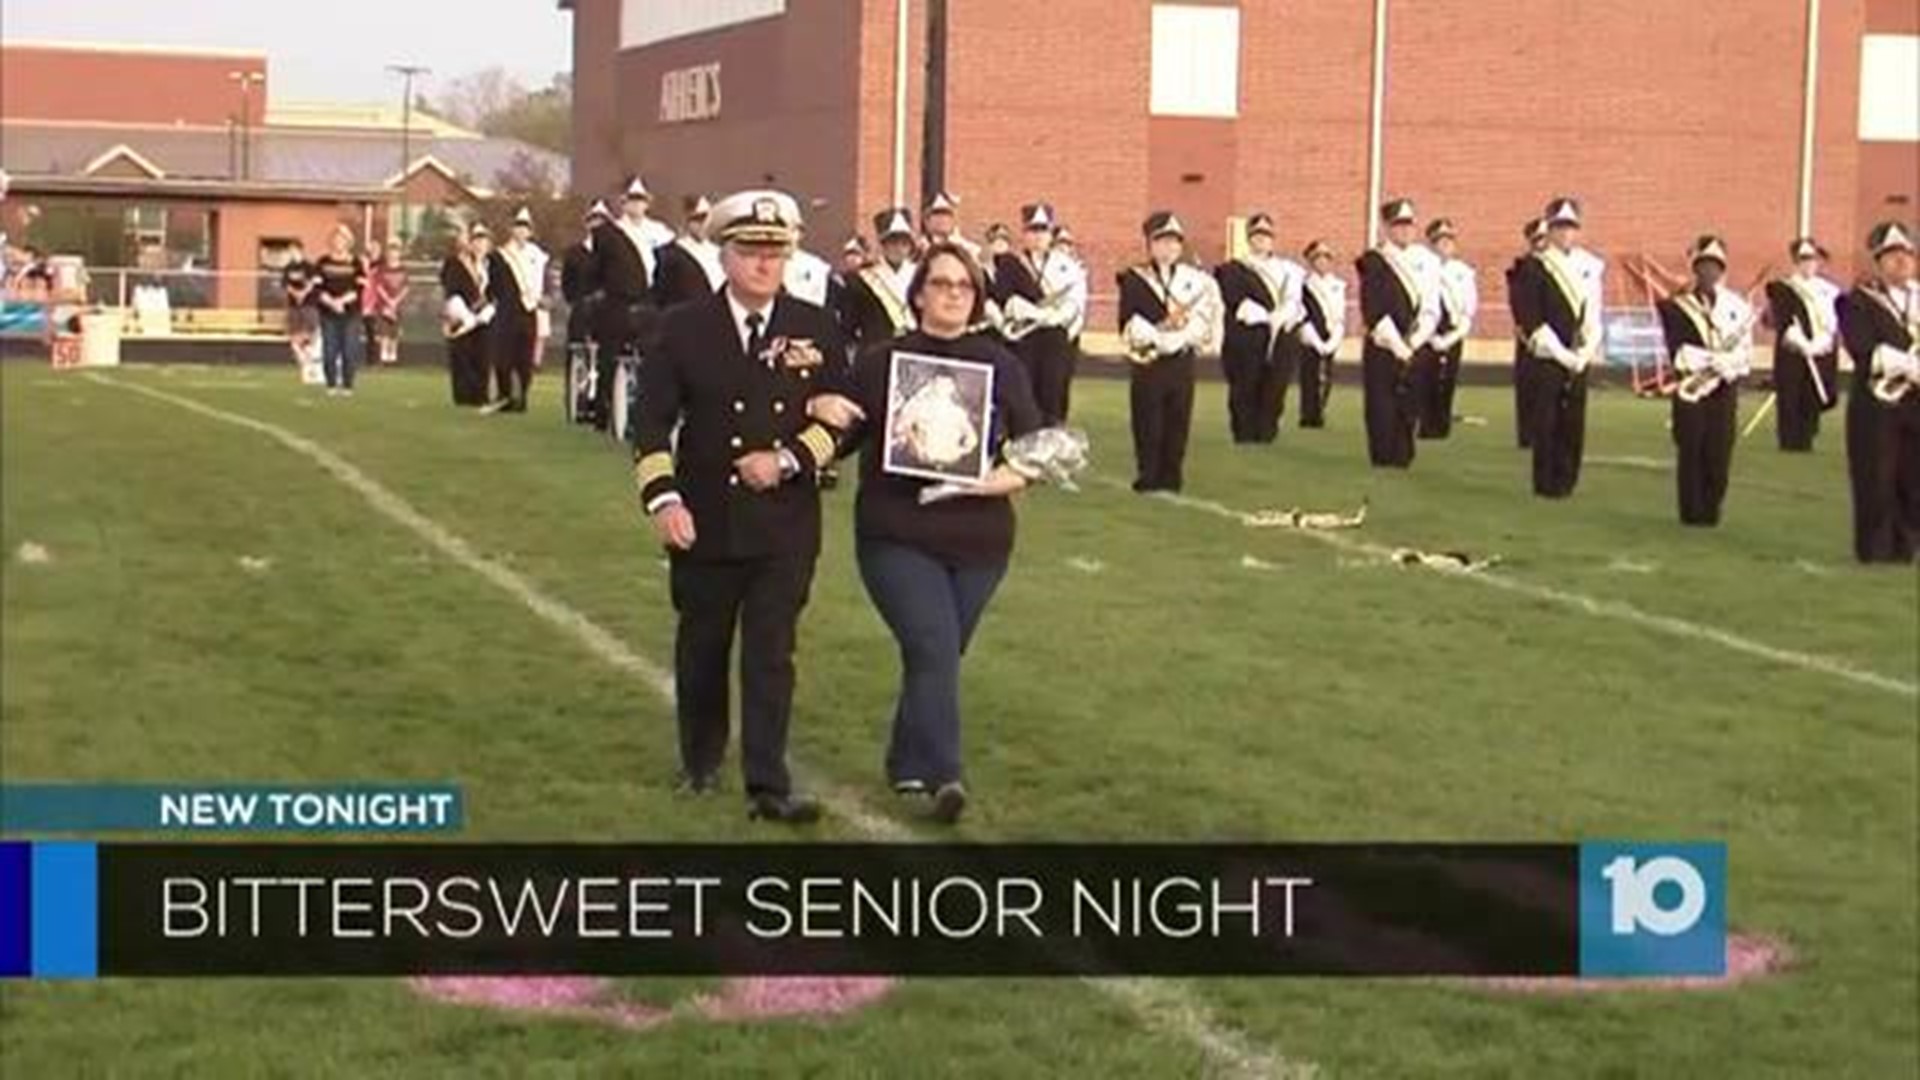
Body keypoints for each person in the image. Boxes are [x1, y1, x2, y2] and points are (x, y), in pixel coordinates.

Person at [632, 190, 856, 823]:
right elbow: (649, 422)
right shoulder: (682, 327)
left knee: (771, 652)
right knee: (702, 647)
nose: (764, 264)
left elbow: (847, 419)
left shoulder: (817, 327)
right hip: (704, 519)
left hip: (784, 523)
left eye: (776, 252)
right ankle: (700, 763)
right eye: (751, 251)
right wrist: (664, 500)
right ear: (724, 253)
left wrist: (788, 458)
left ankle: (768, 783)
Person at [836, 242, 1042, 823]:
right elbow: (843, 433)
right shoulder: (881, 361)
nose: (953, 293)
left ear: (976, 298)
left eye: (964, 286)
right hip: (896, 533)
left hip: (980, 541)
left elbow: (1035, 442)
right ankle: (945, 775)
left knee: (939, 655)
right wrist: (825, 413)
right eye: (942, 283)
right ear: (920, 291)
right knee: (932, 646)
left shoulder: (1000, 363)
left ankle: (905, 760)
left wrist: (1011, 475)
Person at [1837, 221, 1920, 564]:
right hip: (1877, 404)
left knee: (1913, 479)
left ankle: (1905, 548)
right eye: (1891, 255)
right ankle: (1874, 550)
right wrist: (1911, 366)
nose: (1901, 261)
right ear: (1877, 260)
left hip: (1916, 405)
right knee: (1876, 476)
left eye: (1906, 254)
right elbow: (1864, 351)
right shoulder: (1855, 301)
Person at [1118, 211, 1219, 493]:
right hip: (1149, 361)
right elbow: (1129, 323)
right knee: (1147, 419)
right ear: (1150, 244)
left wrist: (1182, 338)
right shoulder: (1134, 279)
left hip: (1181, 360)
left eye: (1174, 242)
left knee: (1178, 419)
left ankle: (1172, 476)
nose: (1169, 247)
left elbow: (1202, 320)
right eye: (1162, 241)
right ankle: (1148, 475)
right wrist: (1161, 340)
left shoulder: (1194, 279)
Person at [1513, 196, 1606, 498]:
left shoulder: (1590, 266)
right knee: (1547, 421)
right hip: (1549, 356)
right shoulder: (1534, 267)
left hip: (1578, 355)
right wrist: (1564, 355)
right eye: (1559, 227)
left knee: (1573, 421)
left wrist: (1586, 351)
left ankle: (1567, 481)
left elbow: (1593, 314)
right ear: (1549, 229)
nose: (1566, 233)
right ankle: (1546, 482)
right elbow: (1533, 319)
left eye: (1570, 227)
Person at [1656, 236, 1753, 527]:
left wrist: (1729, 364)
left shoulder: (1738, 306)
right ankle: (1690, 512)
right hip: (1692, 388)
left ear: (1723, 270)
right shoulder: (1676, 307)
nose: (1709, 272)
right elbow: (1680, 353)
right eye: (1703, 266)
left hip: (1724, 388)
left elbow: (1745, 354)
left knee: (1719, 450)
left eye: (1715, 266)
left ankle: (1712, 511)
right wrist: (1712, 360)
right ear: (1694, 269)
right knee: (1691, 448)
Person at [1355, 198, 1438, 468]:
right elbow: (1375, 309)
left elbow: (1431, 306)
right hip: (1384, 345)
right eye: (1399, 225)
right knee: (1381, 404)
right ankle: (1383, 458)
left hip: (1415, 343)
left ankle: (1403, 456)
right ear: (1387, 227)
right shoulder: (1375, 260)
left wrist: (1414, 341)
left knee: (1410, 403)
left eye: (1409, 224)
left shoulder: (1427, 260)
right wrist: (1398, 346)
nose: (1405, 230)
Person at [590, 176, 676, 430]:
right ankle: (603, 411)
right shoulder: (609, 233)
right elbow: (598, 269)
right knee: (610, 355)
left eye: (641, 200)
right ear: (623, 203)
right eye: (631, 200)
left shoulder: (661, 232)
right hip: (619, 300)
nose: (636, 205)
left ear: (648, 203)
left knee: (656, 356)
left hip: (653, 300)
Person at [991, 202, 1086, 426]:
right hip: (1023, 342)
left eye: (1043, 230)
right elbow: (1001, 301)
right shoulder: (1010, 264)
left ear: (1051, 233)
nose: (1038, 236)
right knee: (1022, 399)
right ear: (1023, 233)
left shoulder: (1068, 266)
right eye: (1032, 230)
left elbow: (1072, 306)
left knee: (1053, 401)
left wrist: (1040, 315)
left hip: (1054, 342)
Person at [1214, 212, 1305, 443]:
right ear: (1249, 238)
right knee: (1245, 388)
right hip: (1248, 339)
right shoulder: (1233, 269)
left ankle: (1266, 435)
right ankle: (1244, 435)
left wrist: (1283, 315)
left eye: (1266, 234)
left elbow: (1295, 301)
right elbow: (1239, 303)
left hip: (1281, 337)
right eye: (1257, 234)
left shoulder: (1290, 270)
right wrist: (1267, 317)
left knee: (1275, 389)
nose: (1262, 239)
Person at [1765, 237, 1843, 452]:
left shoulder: (1829, 290)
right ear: (1795, 262)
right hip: (1793, 352)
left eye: (1812, 259)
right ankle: (1790, 440)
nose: (1808, 263)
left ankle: (1807, 437)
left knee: (1813, 395)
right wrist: (1800, 342)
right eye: (1803, 259)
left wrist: (1822, 342)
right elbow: (1785, 320)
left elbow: (1834, 320)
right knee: (1791, 395)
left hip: (1821, 350)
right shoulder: (1785, 288)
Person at [1420, 218, 1478, 439]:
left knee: (1448, 378)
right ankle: (1426, 425)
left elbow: (1468, 307)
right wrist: (1430, 335)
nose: (1445, 245)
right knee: (1426, 379)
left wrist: (1455, 334)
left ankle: (1442, 426)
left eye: (1449, 241)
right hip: (1428, 331)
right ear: (1432, 244)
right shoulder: (1423, 268)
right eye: (1440, 241)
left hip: (1453, 330)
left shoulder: (1463, 272)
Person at [485, 207, 545, 413]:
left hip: (529, 311)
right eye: (518, 227)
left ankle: (522, 399)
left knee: (525, 359)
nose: (521, 231)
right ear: (512, 230)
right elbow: (492, 287)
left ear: (530, 231)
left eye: (525, 227)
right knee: (503, 357)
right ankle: (504, 396)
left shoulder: (538, 255)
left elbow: (542, 285)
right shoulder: (499, 256)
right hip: (507, 311)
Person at [841, 208, 919, 349]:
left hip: (912, 350)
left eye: (904, 243)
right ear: (883, 244)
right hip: (876, 352)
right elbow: (849, 325)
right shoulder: (861, 281)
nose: (898, 248)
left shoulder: (921, 276)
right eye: (893, 242)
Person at [562, 202, 610, 423]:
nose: (597, 225)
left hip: (606, 312)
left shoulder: (614, 253)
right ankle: (578, 402)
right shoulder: (575, 253)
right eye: (593, 220)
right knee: (578, 355)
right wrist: (578, 301)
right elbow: (567, 284)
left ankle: (601, 403)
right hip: (582, 310)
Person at [439, 223, 495, 406]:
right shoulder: (455, 262)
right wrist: (466, 315)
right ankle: (463, 397)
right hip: (461, 317)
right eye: (475, 240)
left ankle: (481, 396)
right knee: (462, 356)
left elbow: (498, 291)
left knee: (483, 357)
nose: (479, 245)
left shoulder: (492, 264)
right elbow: (451, 291)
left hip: (485, 318)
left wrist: (489, 310)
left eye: (483, 240)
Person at [1506, 218, 1551, 449]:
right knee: (1529, 387)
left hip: (1557, 338)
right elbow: (1519, 304)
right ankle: (1528, 436)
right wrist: (1526, 332)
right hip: (1531, 336)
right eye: (1540, 238)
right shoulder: (1523, 267)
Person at [312, 225, 368, 396]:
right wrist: (330, 302)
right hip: (328, 313)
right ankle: (330, 383)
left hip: (350, 313)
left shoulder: (355, 263)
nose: (339, 242)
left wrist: (342, 301)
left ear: (348, 242)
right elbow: (317, 287)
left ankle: (347, 384)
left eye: (342, 239)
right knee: (330, 350)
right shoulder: (323, 262)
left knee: (349, 350)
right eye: (336, 239)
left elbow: (360, 288)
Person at [1297, 239, 1346, 429]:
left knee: (1326, 377)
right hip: (1311, 338)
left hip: (1330, 335)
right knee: (1310, 377)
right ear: (1311, 260)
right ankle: (1310, 416)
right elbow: (1303, 315)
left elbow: (1339, 315)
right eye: (1318, 257)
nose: (1323, 261)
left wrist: (1333, 340)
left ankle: (1319, 411)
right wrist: (1317, 342)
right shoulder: (1304, 286)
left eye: (1327, 256)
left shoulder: (1338, 285)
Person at [654, 195, 725, 309]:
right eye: (697, 219)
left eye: (706, 218)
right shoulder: (670, 255)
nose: (703, 224)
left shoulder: (718, 251)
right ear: (687, 220)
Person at [367, 244, 409, 366]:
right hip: (383, 305)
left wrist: (396, 301)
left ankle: (393, 357)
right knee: (384, 331)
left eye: (395, 252)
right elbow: (378, 286)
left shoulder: (403, 270)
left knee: (394, 333)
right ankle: (383, 356)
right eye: (390, 253)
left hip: (398, 306)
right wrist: (388, 300)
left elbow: (406, 287)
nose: (393, 255)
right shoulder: (382, 270)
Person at [281, 241, 319, 371]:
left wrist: (303, 293)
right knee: (294, 332)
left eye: (293, 250)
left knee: (310, 331)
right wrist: (295, 293)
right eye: (290, 251)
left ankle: (309, 355)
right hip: (293, 305)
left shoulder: (309, 266)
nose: (291, 253)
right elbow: (286, 284)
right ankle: (301, 358)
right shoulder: (287, 268)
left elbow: (313, 283)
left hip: (308, 304)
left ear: (300, 250)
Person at [920, 191, 982, 263]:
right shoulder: (917, 251)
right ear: (926, 220)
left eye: (946, 214)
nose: (942, 218)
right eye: (937, 213)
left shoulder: (969, 251)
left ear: (954, 219)